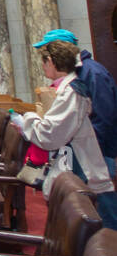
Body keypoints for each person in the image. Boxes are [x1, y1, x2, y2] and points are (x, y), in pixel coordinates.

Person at [13, 40, 117, 229]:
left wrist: (26, 119)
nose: (43, 67)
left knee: (100, 230)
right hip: (75, 161)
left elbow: (50, 135)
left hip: (81, 167)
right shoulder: (69, 88)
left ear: (51, 61)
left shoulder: (71, 92)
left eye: (44, 63)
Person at [32, 29, 117, 175]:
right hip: (80, 149)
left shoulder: (92, 73)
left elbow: (104, 117)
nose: (44, 63)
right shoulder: (76, 72)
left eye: (47, 55)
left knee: (100, 196)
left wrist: (88, 148)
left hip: (95, 151)